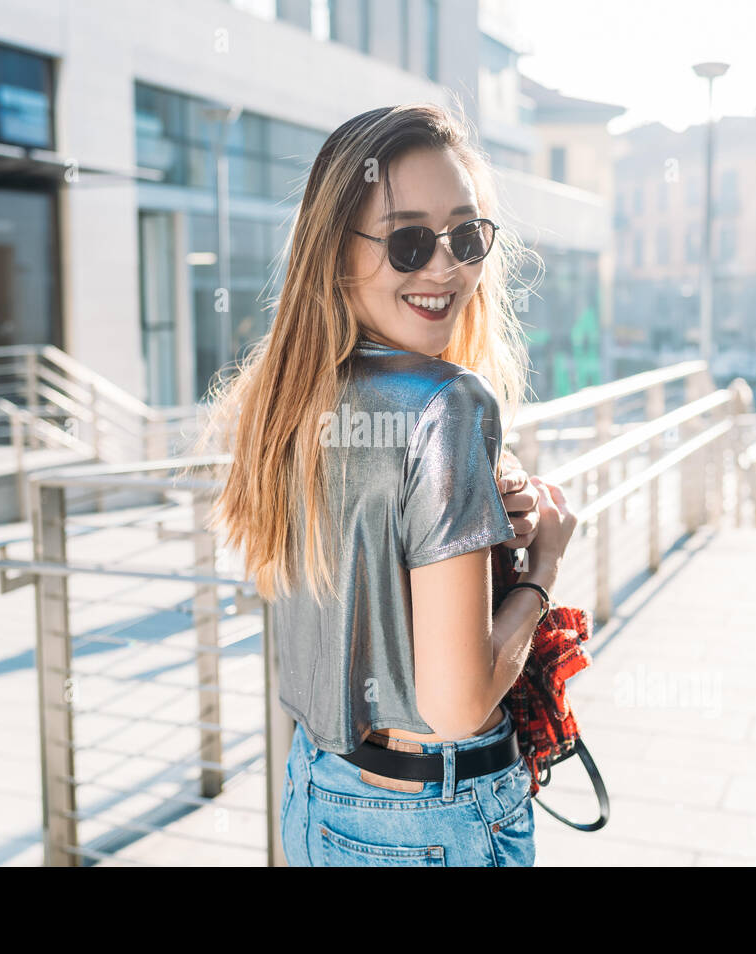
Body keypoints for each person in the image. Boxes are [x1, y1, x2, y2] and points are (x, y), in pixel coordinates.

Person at [203, 103, 579, 866]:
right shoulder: (447, 405)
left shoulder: (287, 399)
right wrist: (544, 565)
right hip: (433, 819)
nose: (444, 269)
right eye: (408, 242)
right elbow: (457, 703)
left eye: (465, 238)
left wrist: (475, 507)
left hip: (316, 793)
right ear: (336, 250)